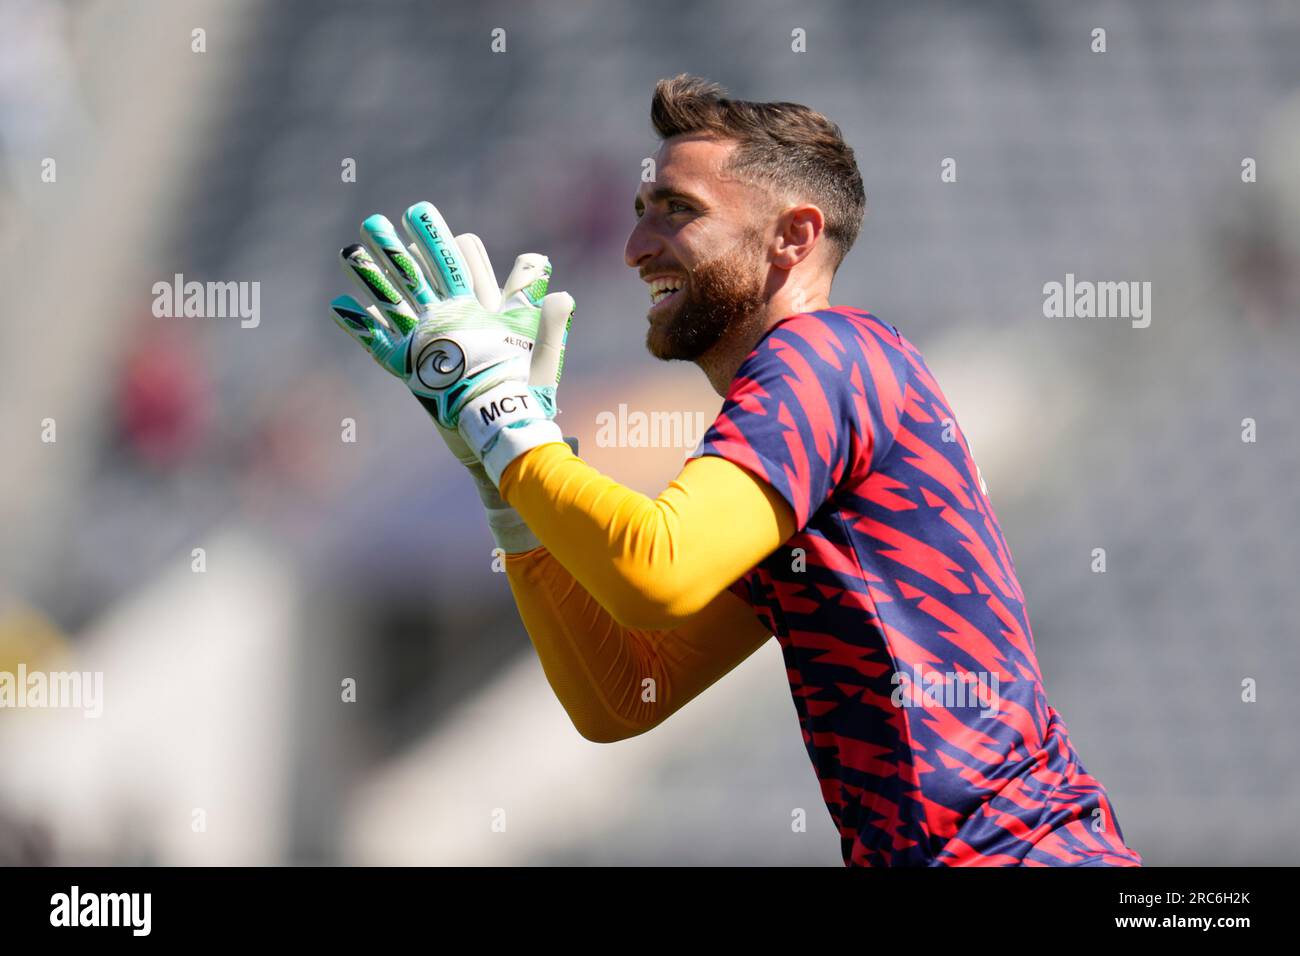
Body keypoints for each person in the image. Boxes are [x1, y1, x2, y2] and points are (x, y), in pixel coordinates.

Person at [330, 74, 1142, 867]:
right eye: (641, 211)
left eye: (678, 211)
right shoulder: (813, 408)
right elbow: (624, 697)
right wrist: (506, 491)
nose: (635, 247)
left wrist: (505, 420)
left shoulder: (820, 356)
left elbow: (657, 571)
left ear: (792, 236)